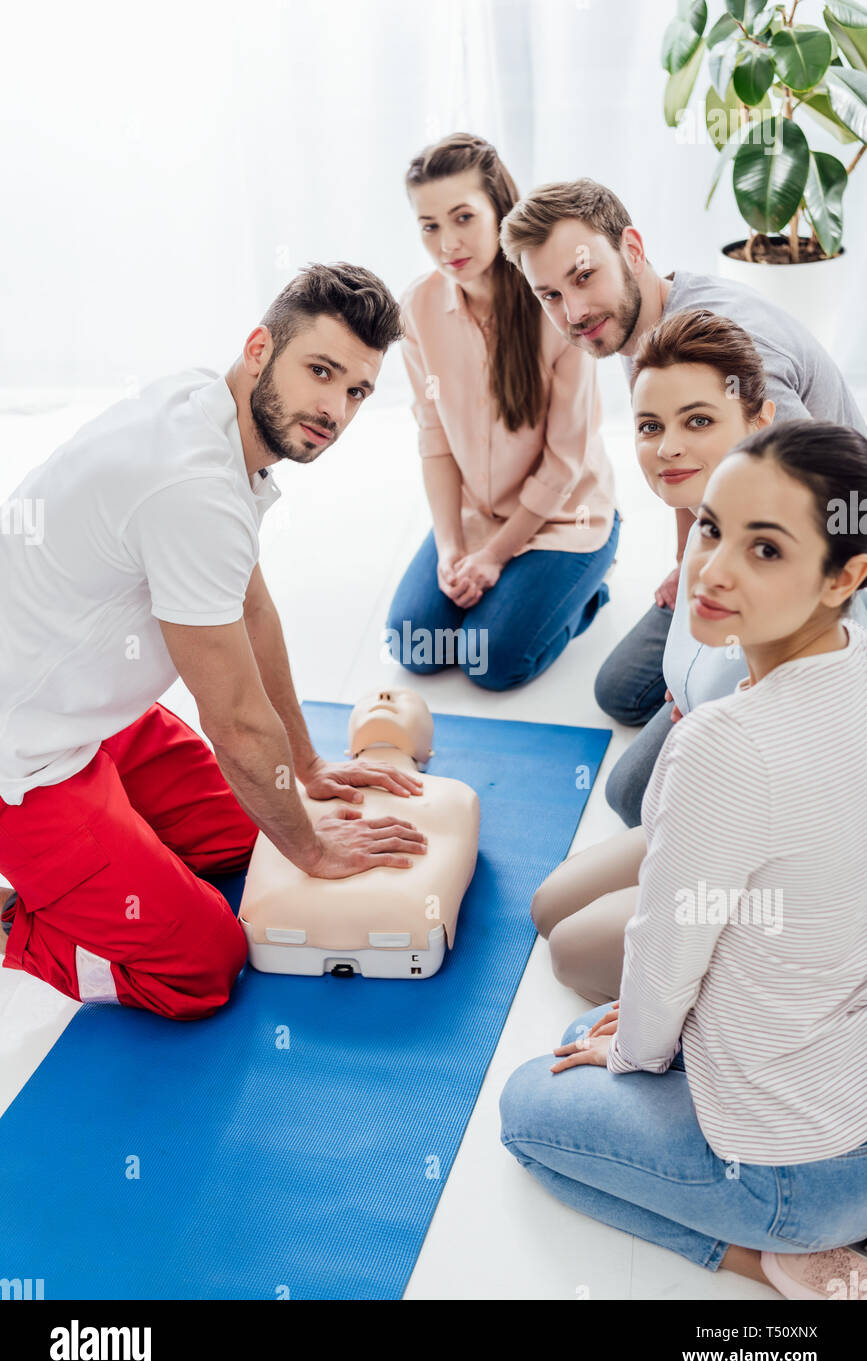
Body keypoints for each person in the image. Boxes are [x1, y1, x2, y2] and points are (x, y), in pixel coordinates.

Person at [0, 263, 430, 1021]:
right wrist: (312, 850)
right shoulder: (191, 486)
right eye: (320, 372)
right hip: (25, 763)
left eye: (357, 391)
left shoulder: (211, 408)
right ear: (260, 347)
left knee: (243, 837)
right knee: (202, 967)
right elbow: (232, 722)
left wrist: (303, 765)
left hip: (89, 710)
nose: (334, 408)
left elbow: (252, 608)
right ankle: (15, 922)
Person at [500, 419, 867, 1301]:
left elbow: (666, 949)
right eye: (710, 528)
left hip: (793, 1178)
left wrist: (632, 1052)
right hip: (846, 1113)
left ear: (843, 577)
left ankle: (770, 1261)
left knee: (528, 1105)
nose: (715, 568)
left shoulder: (724, 745)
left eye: (766, 549)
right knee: (599, 1036)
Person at [499, 178, 866, 806]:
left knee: (634, 797)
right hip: (740, 542)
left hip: (826, 571)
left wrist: (743, 676)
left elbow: (822, 527)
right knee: (618, 692)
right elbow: (692, 475)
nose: (574, 312)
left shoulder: (737, 353)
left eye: (583, 277)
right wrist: (684, 568)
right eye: (550, 295)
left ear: (632, 248)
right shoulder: (630, 323)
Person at [532, 313, 867, 994]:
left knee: (571, 952)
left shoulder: (815, 591)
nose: (667, 448)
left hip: (784, 849)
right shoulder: (702, 520)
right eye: (649, 427)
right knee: (550, 905)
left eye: (698, 422)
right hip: (713, 768)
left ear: (757, 418)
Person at [385, 135, 620, 692]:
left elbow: (565, 464)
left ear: (500, 211)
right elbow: (434, 439)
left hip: (566, 517)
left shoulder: (556, 306)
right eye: (430, 226)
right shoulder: (418, 308)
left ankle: (588, 590)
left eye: (464, 217)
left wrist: (493, 557)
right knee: (413, 646)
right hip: (478, 514)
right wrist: (451, 548)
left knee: (488, 663)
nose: (448, 243)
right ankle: (512, 589)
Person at [239, 686, 480, 978]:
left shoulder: (454, 796)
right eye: (369, 698)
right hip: (400, 921)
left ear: (428, 751)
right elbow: (237, 712)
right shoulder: (290, 790)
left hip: (281, 923)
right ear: (348, 746)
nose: (384, 697)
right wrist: (314, 852)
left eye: (406, 700)